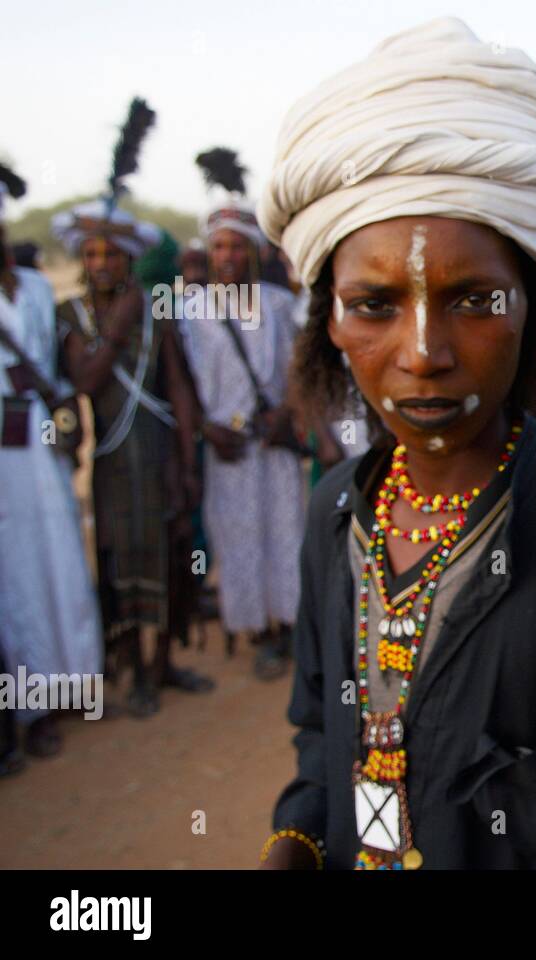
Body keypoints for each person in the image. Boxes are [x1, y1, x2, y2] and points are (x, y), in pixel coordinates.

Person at [255, 18, 536, 871]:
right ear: (329, 322)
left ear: (533, 314)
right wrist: (294, 841)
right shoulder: (334, 511)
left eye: (475, 300)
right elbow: (325, 728)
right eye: (375, 305)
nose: (425, 354)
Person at [54, 194, 206, 716]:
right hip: (114, 467)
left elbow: (179, 385)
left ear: (129, 259)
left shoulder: (158, 307)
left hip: (160, 455)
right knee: (120, 565)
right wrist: (121, 321)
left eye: (112, 255)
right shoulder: (71, 314)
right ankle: (135, 670)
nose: (101, 265)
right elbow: (86, 381)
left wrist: (187, 462)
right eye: (92, 256)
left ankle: (164, 664)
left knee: (169, 558)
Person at [185, 148, 306, 680]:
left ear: (252, 251)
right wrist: (205, 430)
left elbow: (298, 369)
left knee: (285, 528)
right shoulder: (189, 310)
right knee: (236, 536)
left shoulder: (278, 305)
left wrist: (288, 412)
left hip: (272, 439)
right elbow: (183, 384)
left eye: (237, 246)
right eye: (219, 247)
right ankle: (255, 629)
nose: (228, 255)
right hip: (225, 445)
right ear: (208, 253)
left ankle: (289, 626)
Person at [0, 161, 101, 761]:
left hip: (38, 445)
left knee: (54, 561)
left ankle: (62, 690)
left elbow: (59, 368)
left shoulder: (37, 288)